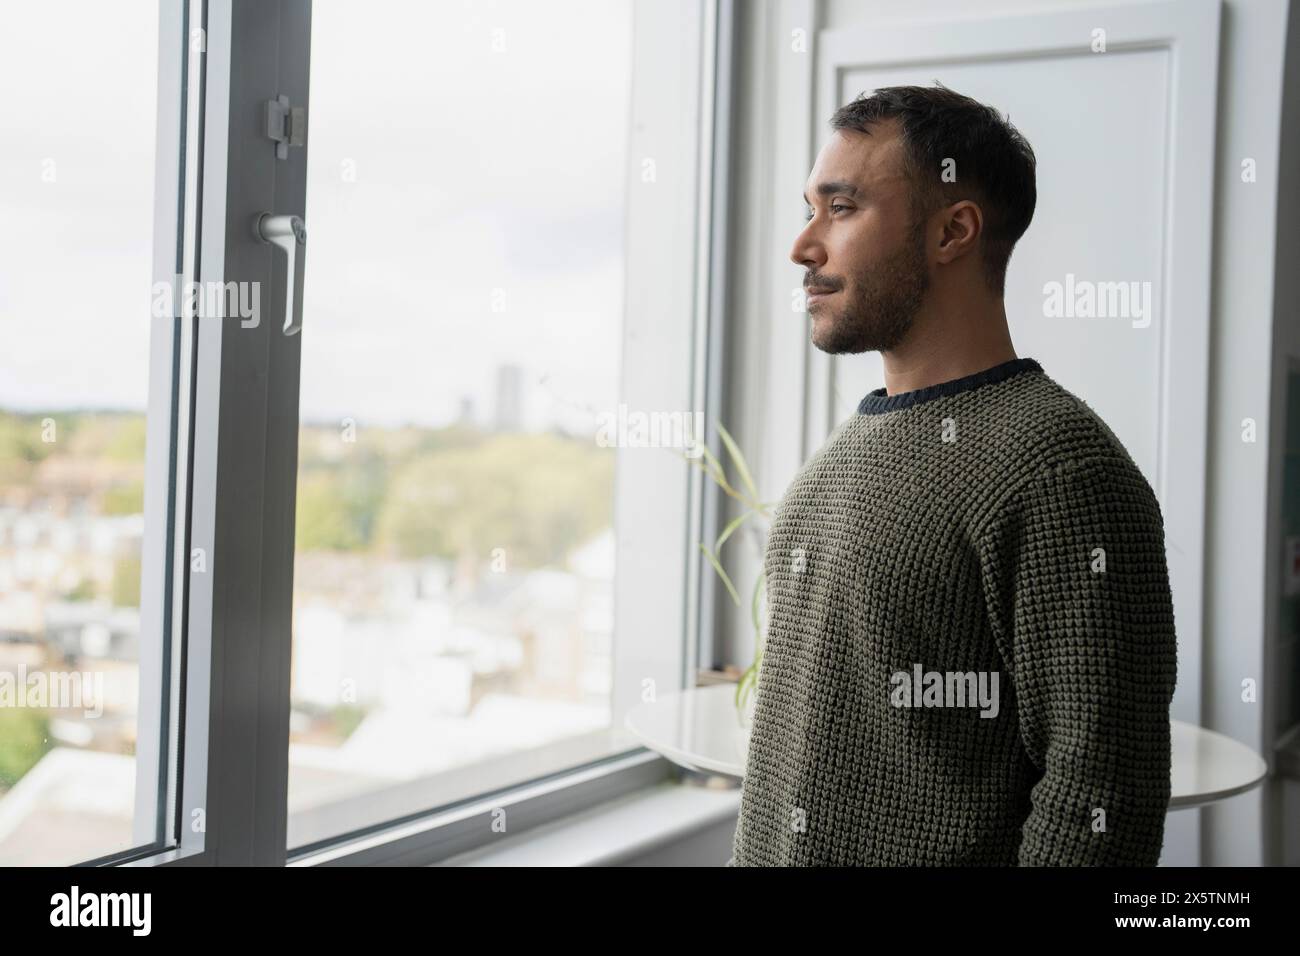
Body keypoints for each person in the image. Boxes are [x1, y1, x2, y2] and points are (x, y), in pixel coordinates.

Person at [728, 84, 1177, 866]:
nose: (803, 246)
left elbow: (1101, 799)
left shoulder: (1063, 470)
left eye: (841, 208)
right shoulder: (843, 455)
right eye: (810, 208)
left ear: (953, 233)